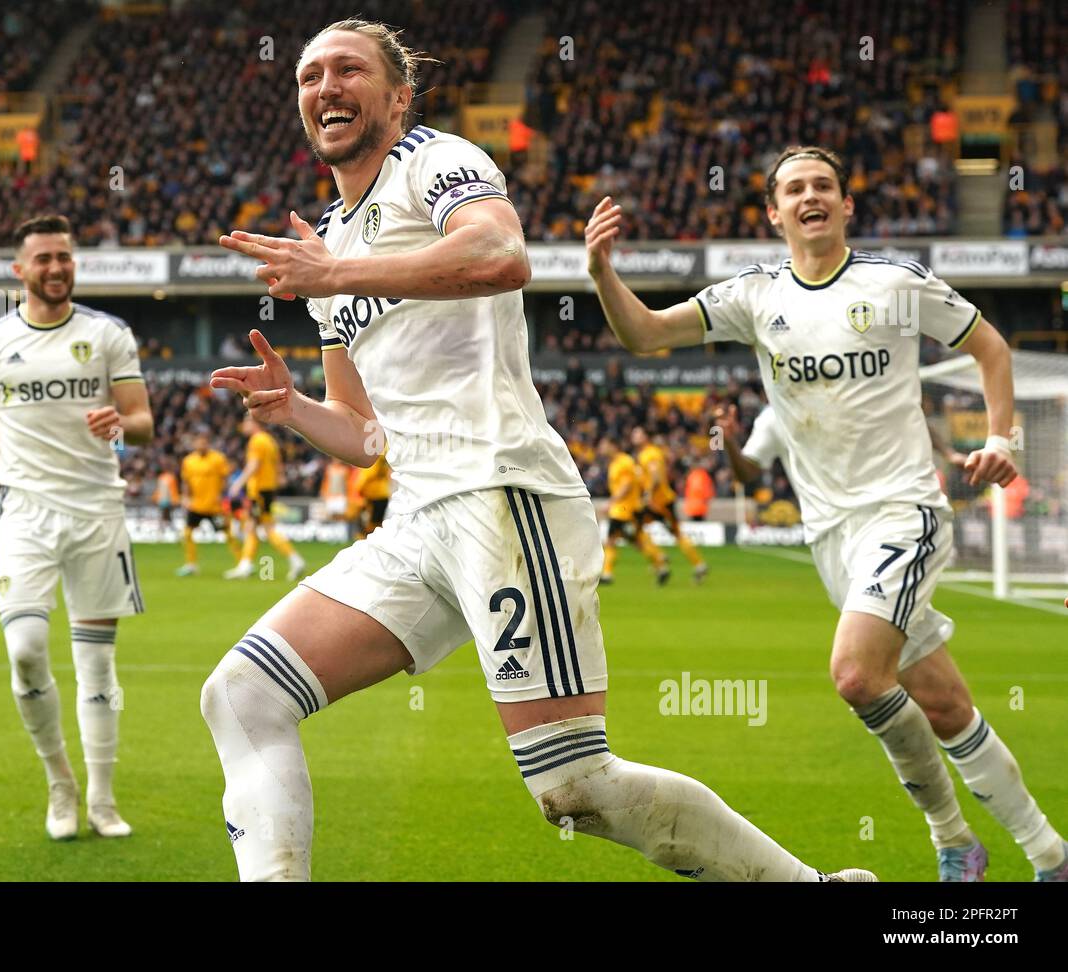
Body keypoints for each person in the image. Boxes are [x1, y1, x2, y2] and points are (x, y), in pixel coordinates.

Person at [201, 21, 872, 882]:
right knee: (243, 694)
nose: (325, 86)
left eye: (348, 70)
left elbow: (500, 253)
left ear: (398, 96)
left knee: (574, 785)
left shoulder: (434, 162)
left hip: (501, 498)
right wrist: (294, 407)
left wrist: (336, 277)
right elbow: (362, 436)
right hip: (414, 524)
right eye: (308, 75)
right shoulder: (329, 237)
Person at [586, 144, 1067, 882]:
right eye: (795, 188)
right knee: (943, 704)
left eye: (825, 185)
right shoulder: (754, 296)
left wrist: (1000, 437)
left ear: (846, 205)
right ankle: (1048, 853)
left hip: (904, 513)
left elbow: (991, 348)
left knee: (854, 675)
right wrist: (601, 275)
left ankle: (953, 841)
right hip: (831, 539)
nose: (811, 196)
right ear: (774, 213)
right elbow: (646, 334)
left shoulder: (896, 282)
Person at [0, 214, 154, 842]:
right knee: (26, 651)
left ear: (72, 264)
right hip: (25, 514)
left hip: (96, 511)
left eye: (64, 256)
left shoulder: (109, 335)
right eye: (44, 259)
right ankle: (60, 782)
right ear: (20, 270)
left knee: (97, 667)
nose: (56, 267)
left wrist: (121, 421)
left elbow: (143, 421)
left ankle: (104, 800)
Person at [222, 415, 306, 581]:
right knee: (252, 527)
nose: (243, 426)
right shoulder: (270, 441)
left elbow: (254, 465)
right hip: (267, 489)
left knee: (266, 529)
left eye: (246, 422)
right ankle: (245, 565)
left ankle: (295, 559)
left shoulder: (257, 441)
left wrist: (237, 483)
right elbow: (278, 466)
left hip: (258, 491)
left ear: (254, 423)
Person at [634, 428, 708, 583]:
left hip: (660, 502)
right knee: (637, 529)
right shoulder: (647, 454)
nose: (634, 436)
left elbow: (655, 476)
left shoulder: (650, 454)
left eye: (638, 434)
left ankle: (692, 563)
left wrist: (647, 493)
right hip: (655, 502)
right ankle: (660, 561)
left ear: (646, 437)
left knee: (674, 533)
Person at [596, 433, 667, 585]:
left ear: (613, 446)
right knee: (634, 541)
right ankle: (660, 563)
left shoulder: (624, 462)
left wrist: (611, 502)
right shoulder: (617, 462)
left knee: (613, 541)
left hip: (623, 510)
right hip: (625, 510)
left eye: (604, 444)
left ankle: (608, 573)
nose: (601, 447)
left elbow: (626, 486)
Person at [177, 430, 241, 576]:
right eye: (199, 442)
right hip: (196, 506)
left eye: (204, 442)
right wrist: (185, 497)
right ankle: (191, 564)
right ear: (194, 444)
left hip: (215, 507)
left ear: (208, 443)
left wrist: (222, 495)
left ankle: (242, 563)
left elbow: (225, 479)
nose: (201, 445)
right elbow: (186, 482)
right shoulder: (188, 461)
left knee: (228, 534)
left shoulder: (218, 459)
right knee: (187, 533)